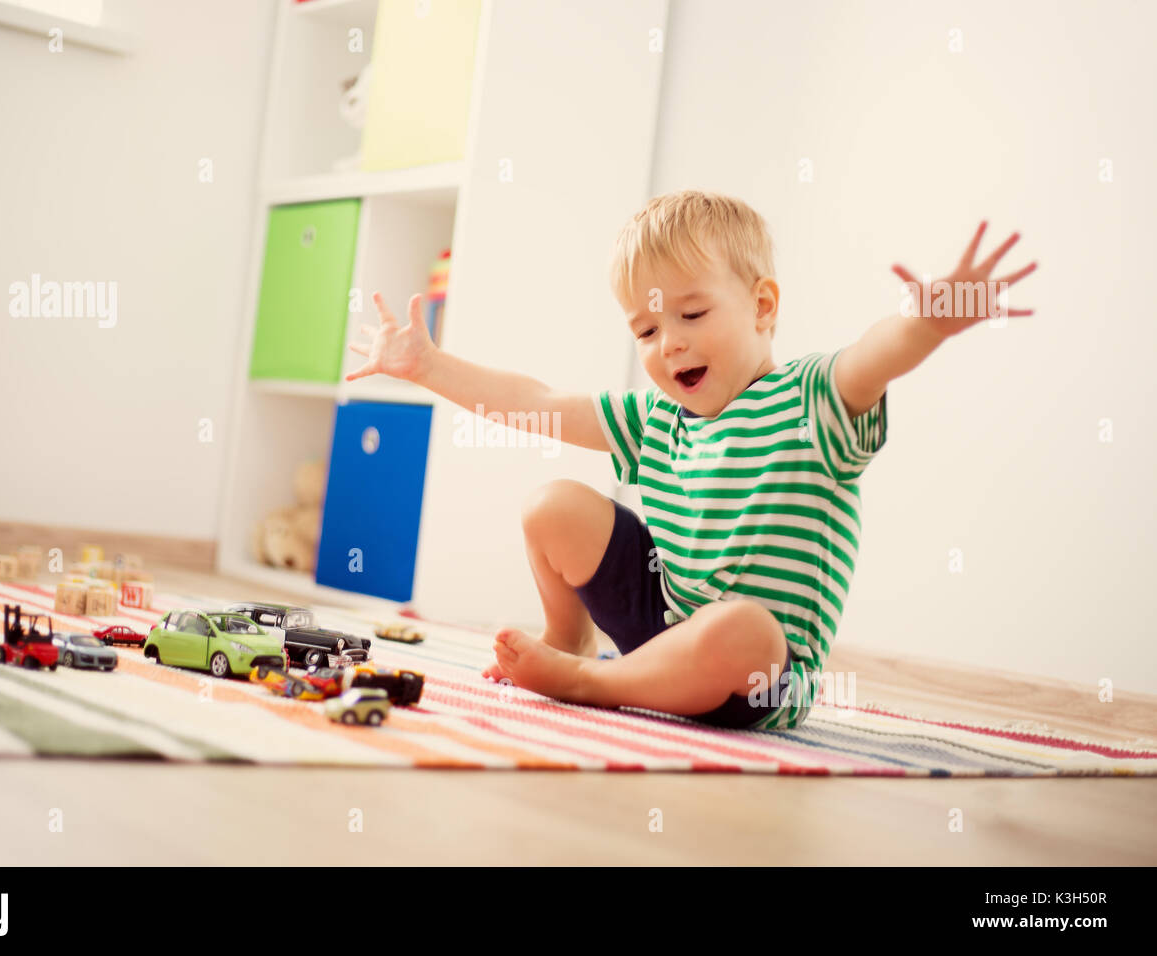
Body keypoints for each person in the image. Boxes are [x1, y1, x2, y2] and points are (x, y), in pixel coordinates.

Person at [345, 190, 1035, 730]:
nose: (668, 343)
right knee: (549, 505)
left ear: (762, 306)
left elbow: (872, 356)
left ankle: (592, 685)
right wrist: (428, 367)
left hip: (752, 675)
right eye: (646, 328)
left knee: (742, 628)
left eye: (693, 315)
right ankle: (570, 643)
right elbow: (538, 401)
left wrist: (931, 321)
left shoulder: (810, 399)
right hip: (660, 626)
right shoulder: (656, 422)